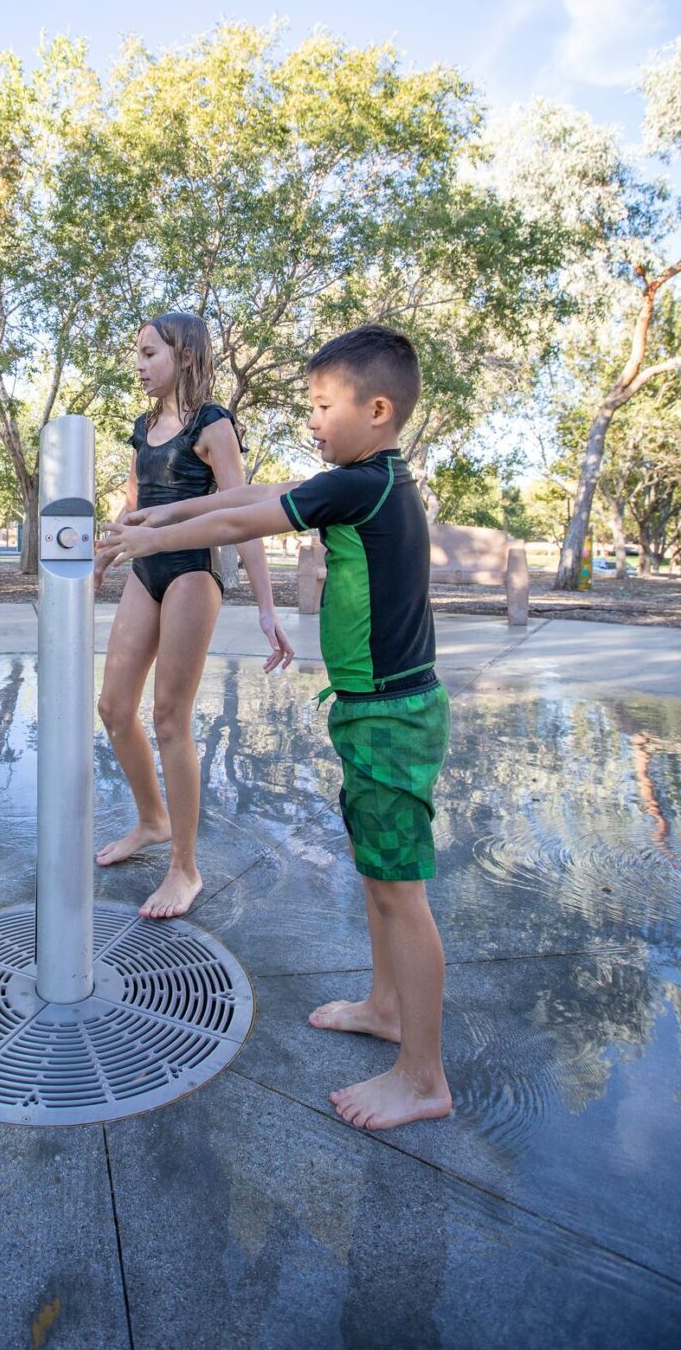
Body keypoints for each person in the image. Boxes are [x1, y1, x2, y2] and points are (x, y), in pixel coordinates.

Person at [99, 324, 451, 1131]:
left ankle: (423, 1075)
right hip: (374, 710)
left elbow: (239, 524)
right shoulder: (367, 480)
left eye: (324, 405)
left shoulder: (359, 485)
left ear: (378, 409)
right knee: (378, 873)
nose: (312, 419)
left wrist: (154, 534)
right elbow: (239, 497)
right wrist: (160, 512)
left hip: (392, 716)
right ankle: (386, 1006)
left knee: (401, 892)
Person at [93, 312, 295, 920]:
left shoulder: (213, 425)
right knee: (113, 707)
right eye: (137, 354)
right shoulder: (143, 427)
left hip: (192, 570)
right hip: (146, 568)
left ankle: (185, 867)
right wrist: (102, 559)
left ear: (183, 356)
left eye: (149, 354)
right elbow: (133, 505)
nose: (139, 366)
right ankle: (152, 820)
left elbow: (244, 517)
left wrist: (266, 606)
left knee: (169, 717)